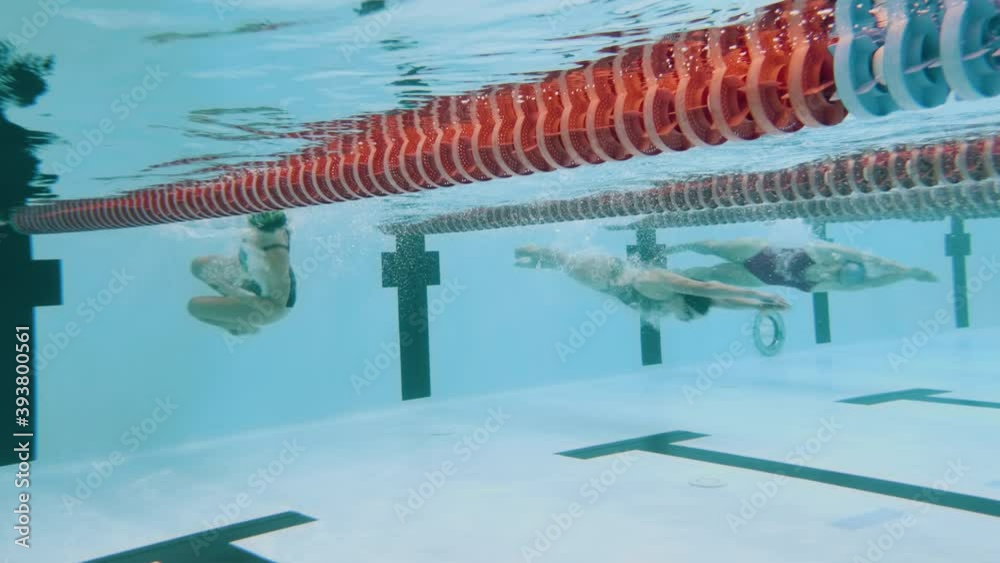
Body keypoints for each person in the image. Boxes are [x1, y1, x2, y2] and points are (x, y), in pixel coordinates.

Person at [515, 244, 789, 325]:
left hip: (604, 279)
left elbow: (721, 302)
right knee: (560, 257)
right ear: (685, 301)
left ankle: (518, 256)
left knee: (555, 261)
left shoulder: (674, 302)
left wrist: (757, 306)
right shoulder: (665, 284)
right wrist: (757, 292)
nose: (686, 320)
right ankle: (518, 248)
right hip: (602, 272)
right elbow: (708, 290)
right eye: (689, 316)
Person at [661, 238, 938, 293]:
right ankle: (675, 247)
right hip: (762, 251)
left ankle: (666, 275)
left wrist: (907, 276)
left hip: (761, 278)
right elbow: (872, 262)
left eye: (838, 276)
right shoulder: (830, 254)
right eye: (838, 268)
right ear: (842, 263)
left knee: (709, 275)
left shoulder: (829, 284)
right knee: (714, 248)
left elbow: (872, 282)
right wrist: (906, 269)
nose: (831, 272)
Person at [189, 211, 296, 335]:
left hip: (267, 308)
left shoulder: (276, 260)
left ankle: (243, 327)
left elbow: (275, 307)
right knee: (198, 266)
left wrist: (234, 292)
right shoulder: (263, 229)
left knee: (194, 307)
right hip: (253, 280)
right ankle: (231, 305)